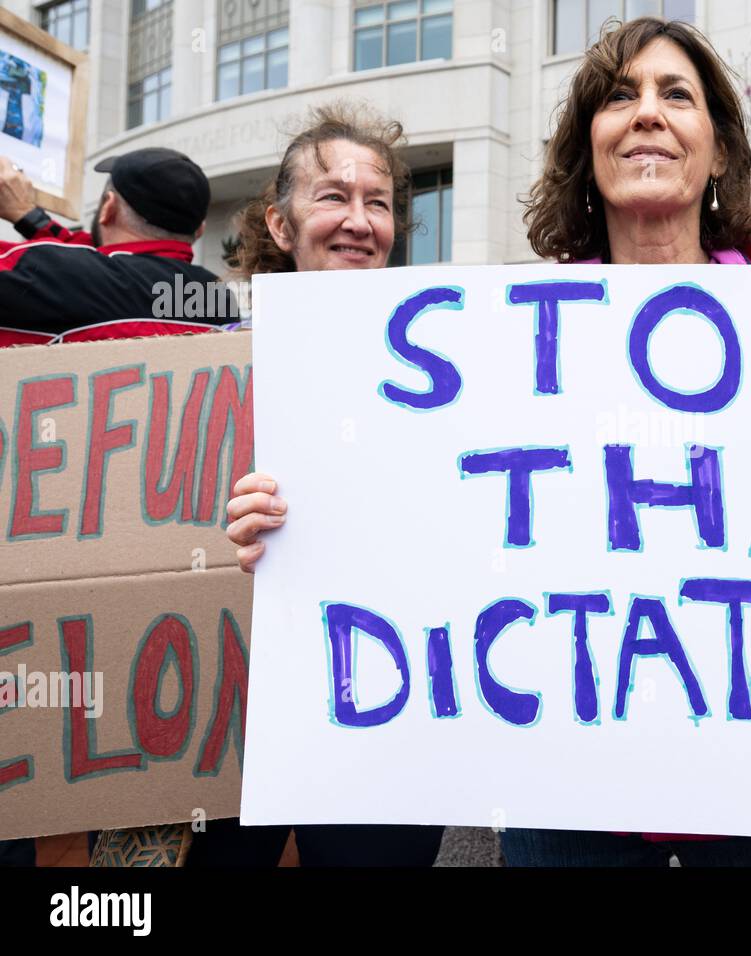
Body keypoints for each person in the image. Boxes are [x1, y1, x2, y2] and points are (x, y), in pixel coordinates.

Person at [227, 22, 751, 867]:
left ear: (717, 151)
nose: (646, 114)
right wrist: (294, 530)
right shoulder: (497, 345)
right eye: (619, 97)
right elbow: (418, 517)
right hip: (570, 806)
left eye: (675, 95)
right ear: (588, 149)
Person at [191, 102, 445, 867]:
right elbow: (155, 532)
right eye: (333, 196)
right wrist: (223, 524)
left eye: (378, 203)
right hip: (237, 706)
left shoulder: (446, 363)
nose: (359, 221)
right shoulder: (212, 372)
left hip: (386, 711)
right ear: (278, 224)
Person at [0, 148, 236, 868]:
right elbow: (127, 279)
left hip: (37, 593)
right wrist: (38, 221)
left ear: (107, 210)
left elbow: (81, 273)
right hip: (181, 620)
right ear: (195, 230)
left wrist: (29, 224)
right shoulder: (217, 300)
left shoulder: (45, 278)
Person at [0, 149, 240, 338]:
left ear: (108, 206)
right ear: (200, 229)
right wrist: (26, 215)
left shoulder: (56, 275)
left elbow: (84, 271)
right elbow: (96, 267)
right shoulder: (217, 295)